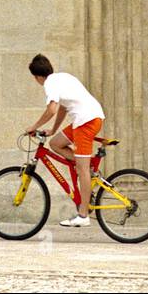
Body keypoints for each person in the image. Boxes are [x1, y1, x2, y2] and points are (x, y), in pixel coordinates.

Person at [26, 54, 105, 227]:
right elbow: (62, 107)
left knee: (82, 169)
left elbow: (52, 109)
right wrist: (53, 130)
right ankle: (87, 165)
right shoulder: (63, 77)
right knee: (55, 143)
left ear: (38, 77)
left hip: (86, 122)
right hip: (88, 118)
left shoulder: (49, 84)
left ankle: (83, 215)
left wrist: (34, 126)